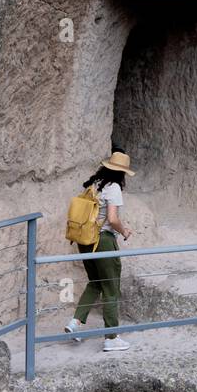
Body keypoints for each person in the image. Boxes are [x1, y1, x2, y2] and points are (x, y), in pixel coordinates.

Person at [65, 151, 134, 353]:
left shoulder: (93, 184)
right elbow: (112, 219)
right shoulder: (113, 188)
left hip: (84, 241)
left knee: (95, 283)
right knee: (111, 288)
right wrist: (125, 231)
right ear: (122, 173)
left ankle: (76, 323)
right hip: (102, 241)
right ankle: (111, 338)